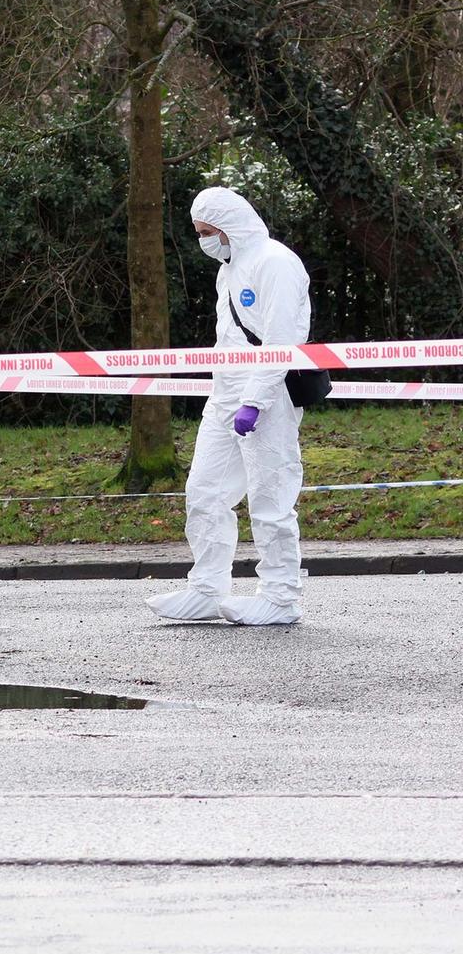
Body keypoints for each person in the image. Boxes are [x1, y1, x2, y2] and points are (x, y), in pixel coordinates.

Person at [148, 187, 313, 626]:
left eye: (208, 232)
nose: (203, 240)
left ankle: (280, 596)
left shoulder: (275, 262)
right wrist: (227, 396)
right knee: (205, 492)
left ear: (230, 226)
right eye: (199, 232)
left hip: (268, 397)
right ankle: (207, 588)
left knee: (270, 496)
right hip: (224, 395)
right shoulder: (229, 269)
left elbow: (281, 340)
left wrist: (254, 401)